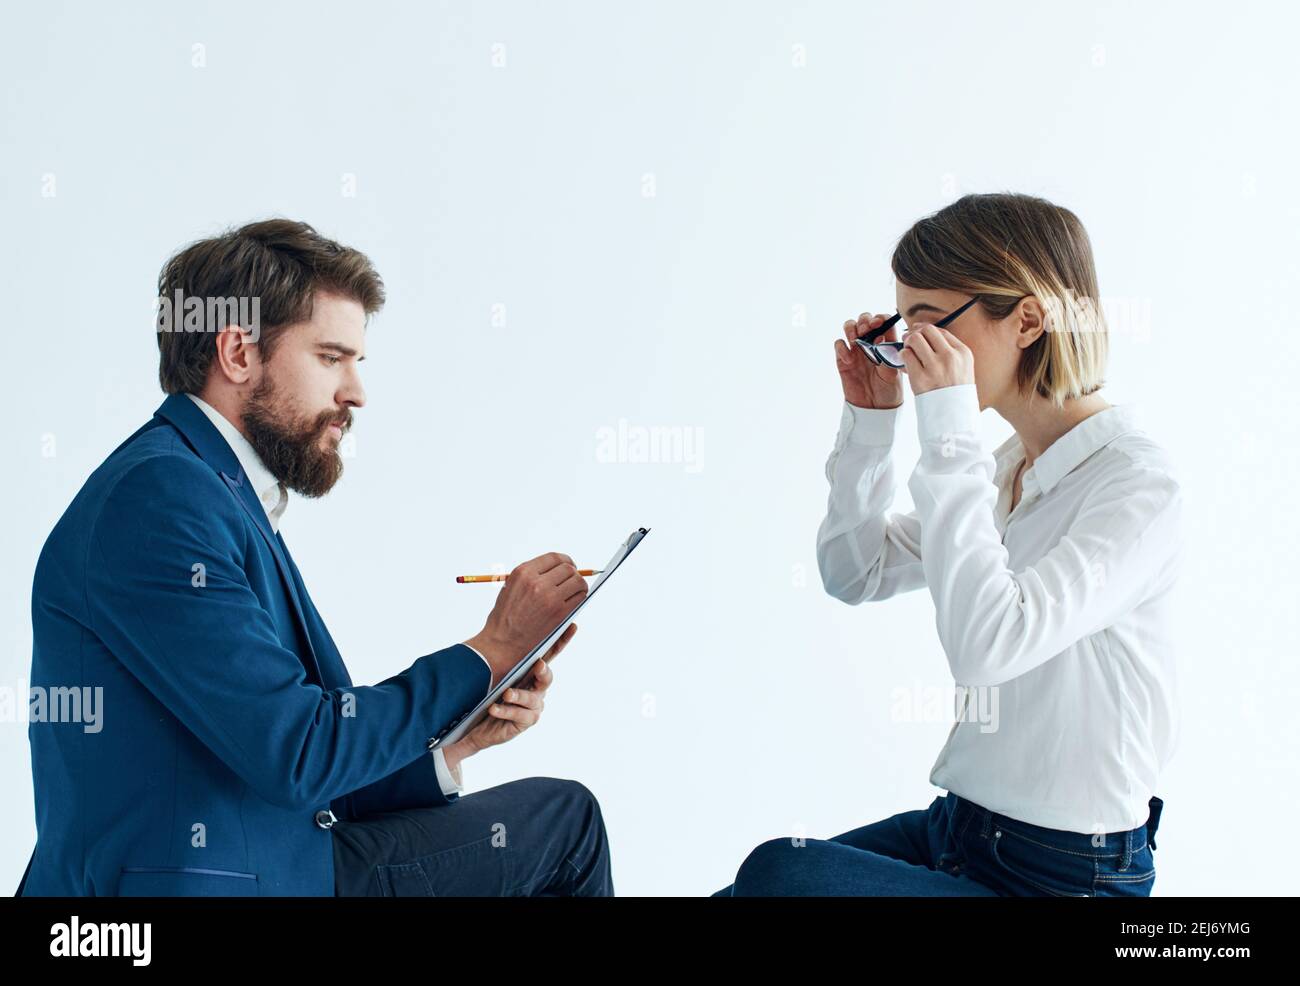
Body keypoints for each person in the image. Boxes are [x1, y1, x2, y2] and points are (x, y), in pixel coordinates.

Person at [17, 219, 612, 897]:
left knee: (566, 820)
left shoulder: (208, 488)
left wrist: (458, 743)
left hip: (269, 862)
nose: (355, 392)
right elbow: (298, 753)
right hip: (217, 886)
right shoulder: (162, 499)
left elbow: (292, 761)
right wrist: (489, 651)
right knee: (566, 824)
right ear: (239, 353)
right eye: (331, 358)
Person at [713, 193, 1181, 897]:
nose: (911, 350)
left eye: (930, 326)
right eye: (905, 326)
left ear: (1026, 319)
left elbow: (988, 647)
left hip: (1066, 879)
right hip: (960, 830)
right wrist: (872, 423)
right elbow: (854, 570)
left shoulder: (1137, 487)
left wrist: (949, 427)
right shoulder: (1003, 469)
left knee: (780, 876)